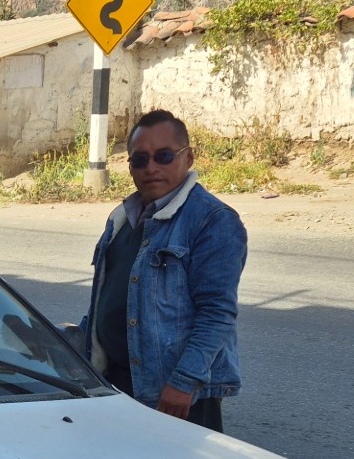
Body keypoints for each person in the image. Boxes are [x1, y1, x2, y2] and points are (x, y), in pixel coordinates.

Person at [75, 109, 246, 431]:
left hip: (175, 396)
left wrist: (183, 383)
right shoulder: (122, 219)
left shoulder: (212, 221)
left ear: (188, 157)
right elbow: (106, 302)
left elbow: (217, 313)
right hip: (114, 382)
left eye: (164, 156)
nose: (151, 168)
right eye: (140, 160)